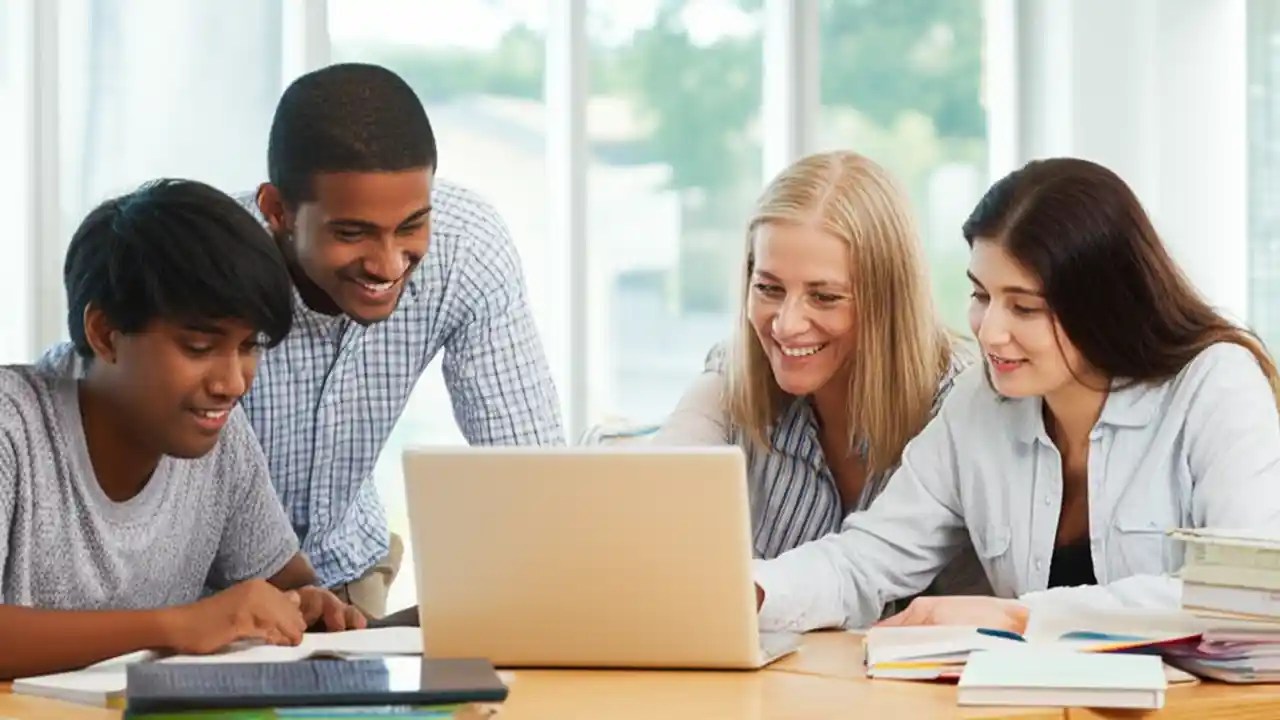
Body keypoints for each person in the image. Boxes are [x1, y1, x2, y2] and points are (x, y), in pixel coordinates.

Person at [42, 63, 566, 619]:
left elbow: (532, 475)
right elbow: (97, 388)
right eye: (351, 233)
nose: (388, 263)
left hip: (331, 586)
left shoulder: (466, 250)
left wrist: (492, 598)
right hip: (183, 597)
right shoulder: (203, 266)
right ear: (277, 212)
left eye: (412, 225)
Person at [752, 157, 1280, 634]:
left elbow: (1247, 595)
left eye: (1024, 308)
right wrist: (749, 593)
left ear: (1106, 306)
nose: (989, 332)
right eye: (982, 295)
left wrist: (1018, 616)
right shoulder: (980, 401)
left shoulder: (1216, 385)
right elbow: (865, 560)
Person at [2, 180, 363, 681]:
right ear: (105, 334)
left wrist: (310, 605)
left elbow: (284, 582)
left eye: (250, 346)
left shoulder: (218, 436)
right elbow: (191, 626)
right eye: (198, 348)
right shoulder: (11, 428)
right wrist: (174, 625)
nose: (232, 383)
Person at [654, 151, 988, 604]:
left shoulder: (963, 402)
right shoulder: (734, 380)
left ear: (886, 300)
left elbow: (863, 567)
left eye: (825, 297)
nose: (787, 324)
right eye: (769, 288)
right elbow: (655, 500)